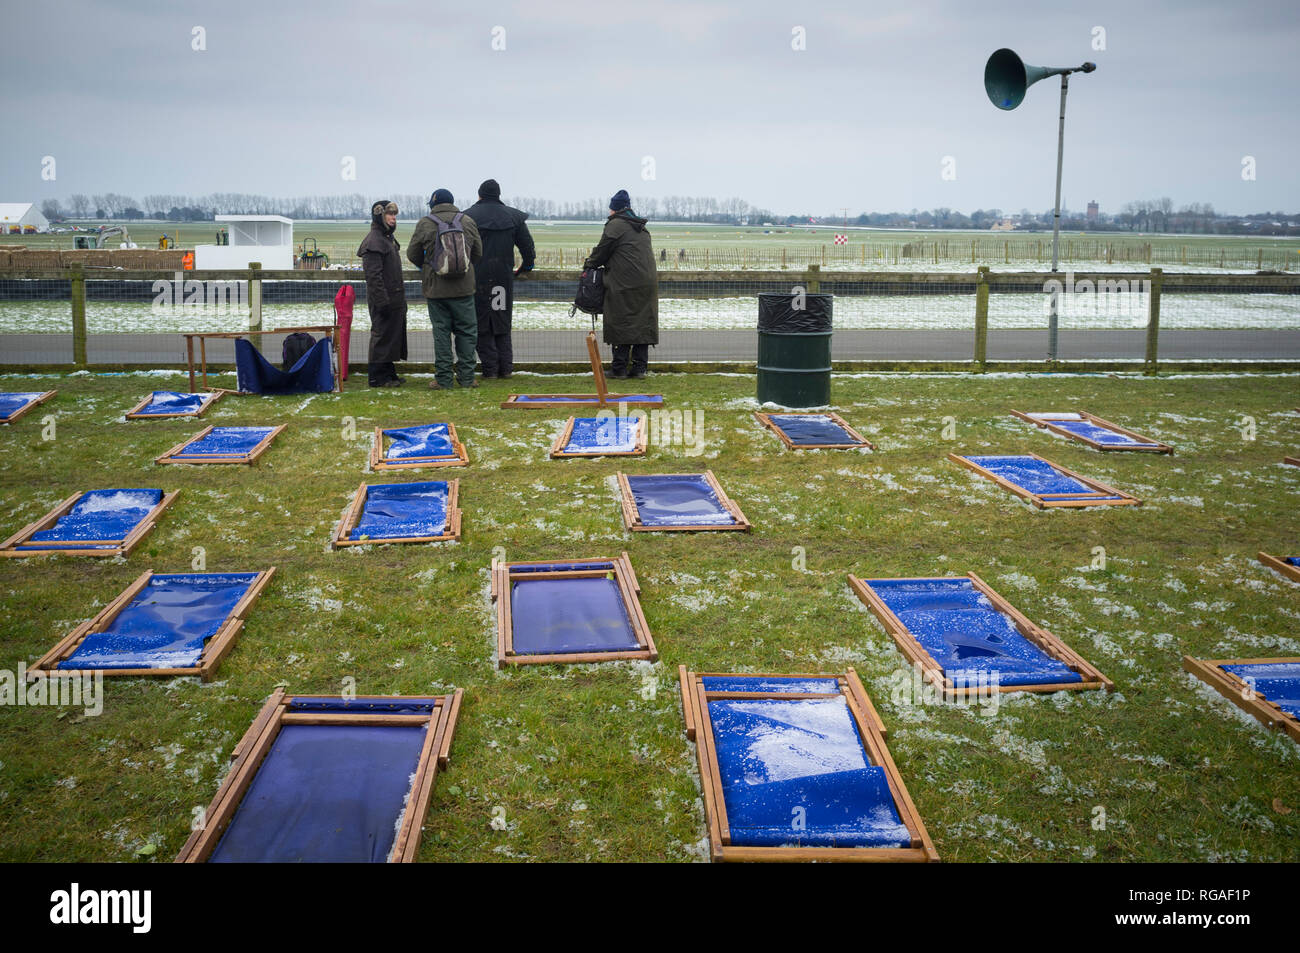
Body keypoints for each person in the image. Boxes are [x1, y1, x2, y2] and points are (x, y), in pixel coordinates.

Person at [407, 189, 483, 389]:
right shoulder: (467, 221)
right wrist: (463, 268)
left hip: (436, 289)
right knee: (467, 333)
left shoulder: (425, 223)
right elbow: (478, 252)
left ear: (433, 204)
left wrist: (430, 265)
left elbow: (412, 253)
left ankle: (443, 379)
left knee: (441, 334)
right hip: (464, 289)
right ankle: (467, 378)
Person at [583, 189, 658, 378]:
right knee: (641, 323)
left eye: (610, 209)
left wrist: (589, 264)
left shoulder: (615, 226)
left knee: (620, 321)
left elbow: (601, 252)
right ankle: (640, 368)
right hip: (647, 283)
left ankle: (619, 369)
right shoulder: (640, 226)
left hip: (624, 283)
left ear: (614, 209)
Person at [464, 179, 535, 379]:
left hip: (477, 278)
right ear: (498, 194)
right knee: (501, 320)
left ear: (479, 195)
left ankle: (490, 369)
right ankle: (506, 368)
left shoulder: (468, 217)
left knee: (481, 322)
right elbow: (528, 249)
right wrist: (525, 267)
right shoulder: (514, 218)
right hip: (503, 279)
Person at [356, 200, 407, 387]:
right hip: (384, 299)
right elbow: (373, 277)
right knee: (381, 336)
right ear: (380, 216)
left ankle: (388, 373)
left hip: (393, 298)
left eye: (394, 214)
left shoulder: (386, 238)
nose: (393, 217)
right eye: (389, 214)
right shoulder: (374, 241)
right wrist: (382, 301)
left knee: (391, 336)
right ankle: (377, 377)